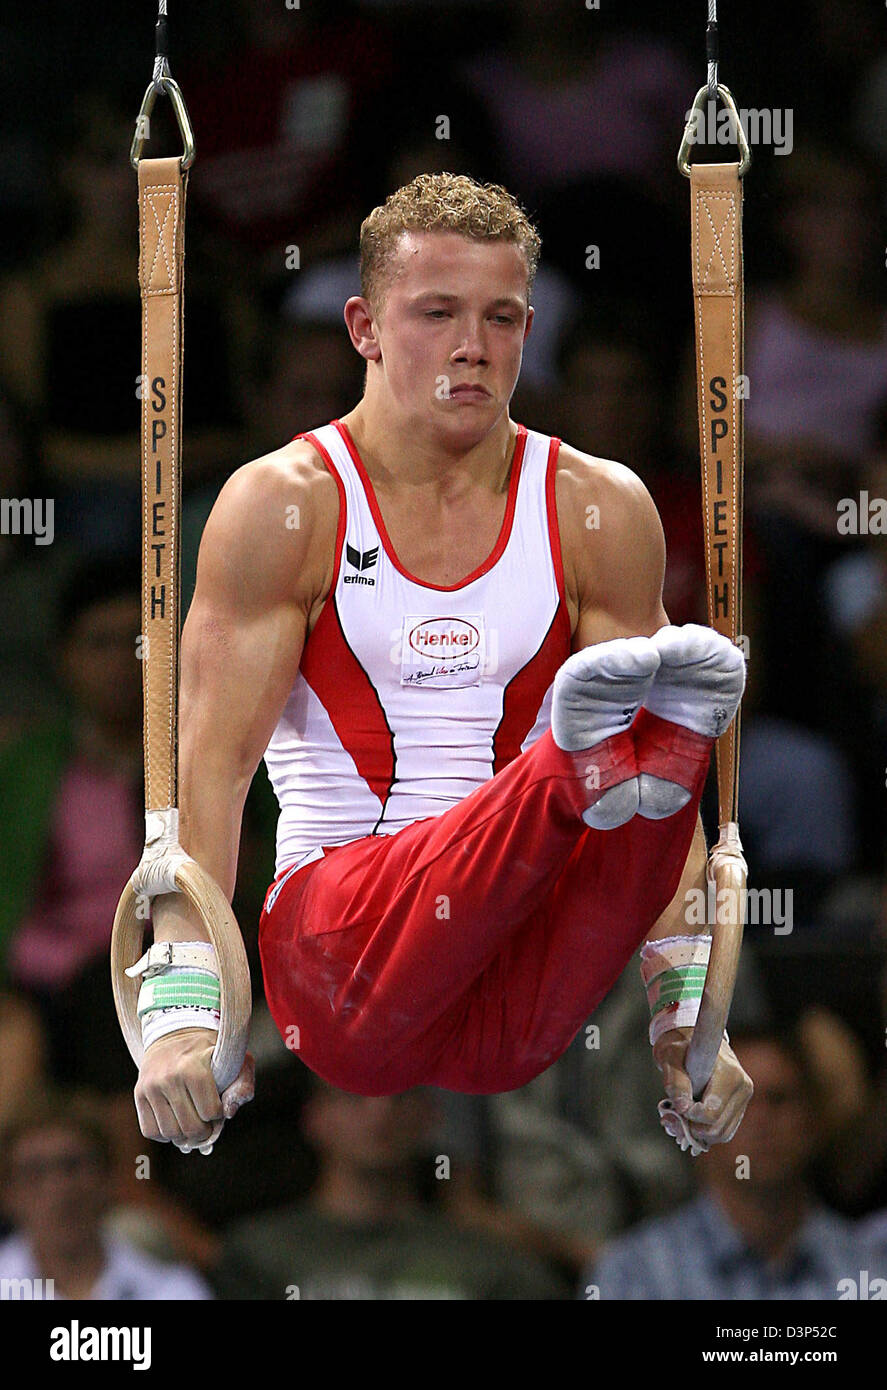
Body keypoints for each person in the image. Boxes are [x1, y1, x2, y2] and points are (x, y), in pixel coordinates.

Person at [133, 172, 749, 1157]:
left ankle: (625, 743)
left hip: (512, 981)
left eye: (501, 318)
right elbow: (208, 778)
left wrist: (689, 1015)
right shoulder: (287, 506)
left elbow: (657, 835)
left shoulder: (598, 507)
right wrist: (182, 1016)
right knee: (593, 758)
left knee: (647, 781)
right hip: (337, 958)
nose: (473, 346)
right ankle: (574, 758)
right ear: (363, 327)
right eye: (436, 313)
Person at [583, 1026, 878, 1300]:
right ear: (694, 1123)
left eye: (778, 1099)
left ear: (812, 1120)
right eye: (738, 1101)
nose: (761, 1121)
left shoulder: (869, 1268)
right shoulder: (632, 1274)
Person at [212, 1078, 569, 1300]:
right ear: (315, 1117)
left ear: (432, 1115)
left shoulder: (493, 1265)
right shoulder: (256, 1256)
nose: (380, 1113)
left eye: (401, 1096)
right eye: (353, 1095)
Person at [0, 1094, 211, 1300]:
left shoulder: (171, 1289)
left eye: (72, 1166)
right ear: (8, 1192)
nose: (58, 1188)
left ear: (108, 1178)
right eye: (35, 1171)